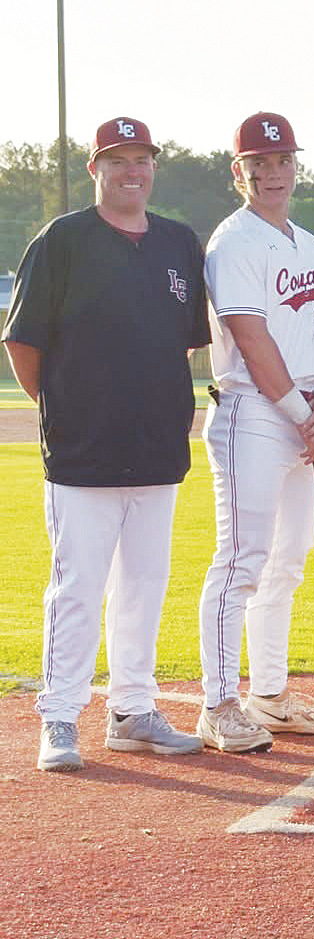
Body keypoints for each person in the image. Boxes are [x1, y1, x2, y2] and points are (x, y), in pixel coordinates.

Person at [6, 117, 209, 771]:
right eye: (117, 160)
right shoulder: (62, 240)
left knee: (144, 585)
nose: (131, 171)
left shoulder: (178, 242)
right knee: (76, 587)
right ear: (95, 169)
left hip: (156, 449)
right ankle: (60, 718)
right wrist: (65, 410)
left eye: (141, 159)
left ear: (154, 168)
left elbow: (182, 342)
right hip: (82, 451)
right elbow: (23, 342)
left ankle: (131, 711)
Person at [193, 112, 314, 753]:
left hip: (304, 414)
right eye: (258, 163)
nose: (272, 171)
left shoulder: (308, 244)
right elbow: (251, 339)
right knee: (241, 563)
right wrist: (301, 412)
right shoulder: (233, 243)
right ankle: (219, 703)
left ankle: (270, 693)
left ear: (295, 165)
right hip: (254, 414)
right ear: (240, 172)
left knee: (286, 564)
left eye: (281, 159)